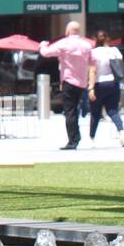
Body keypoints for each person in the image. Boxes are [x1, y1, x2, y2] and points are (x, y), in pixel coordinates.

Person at [39, 22, 95, 150]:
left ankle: (73, 140)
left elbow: (46, 53)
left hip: (69, 81)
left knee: (70, 111)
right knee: (74, 110)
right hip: (81, 82)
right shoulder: (86, 45)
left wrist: (42, 45)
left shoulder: (64, 43)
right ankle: (76, 136)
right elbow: (92, 61)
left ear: (68, 31)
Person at [88, 31, 124, 148]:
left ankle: (92, 138)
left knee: (95, 113)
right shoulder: (114, 51)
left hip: (99, 84)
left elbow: (93, 70)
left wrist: (90, 88)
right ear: (107, 38)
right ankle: (122, 133)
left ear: (96, 39)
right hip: (113, 83)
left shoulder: (93, 53)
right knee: (113, 111)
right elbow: (120, 63)